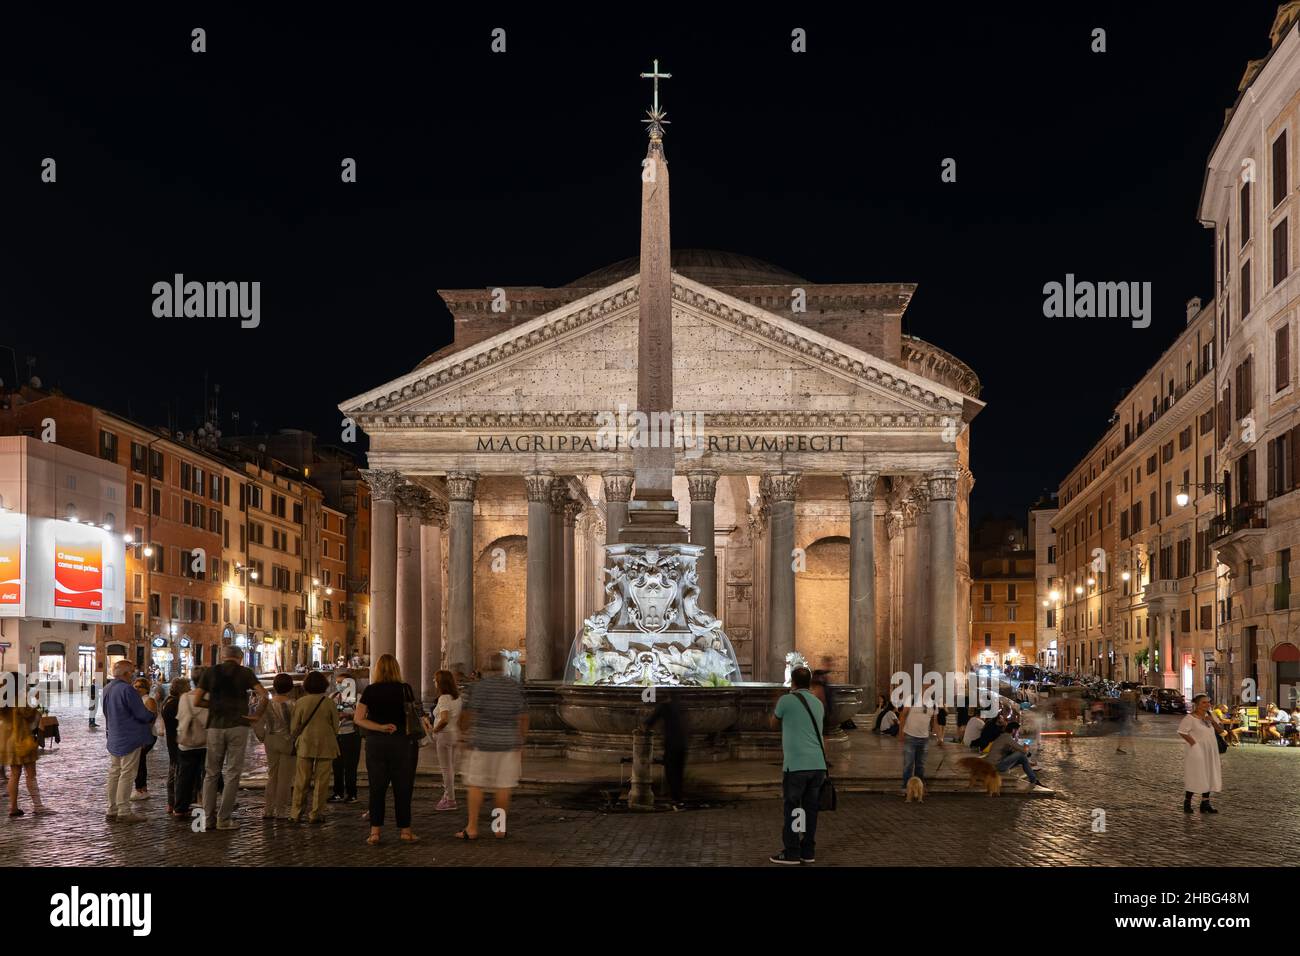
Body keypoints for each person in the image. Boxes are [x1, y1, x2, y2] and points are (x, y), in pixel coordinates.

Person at [455, 657, 528, 842]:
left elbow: (468, 714)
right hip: (507, 743)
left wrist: (463, 732)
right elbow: (523, 716)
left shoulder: (479, 687)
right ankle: (499, 828)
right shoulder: (514, 687)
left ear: (486, 668)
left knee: (476, 784)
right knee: (503, 787)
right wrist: (521, 740)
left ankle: (472, 827)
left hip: (481, 743)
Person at [196, 646, 268, 831]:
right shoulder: (245, 673)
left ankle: (207, 819)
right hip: (238, 725)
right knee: (233, 773)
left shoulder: (210, 672)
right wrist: (257, 714)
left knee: (211, 773)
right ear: (240, 658)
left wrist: (215, 706)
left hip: (215, 726)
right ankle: (224, 819)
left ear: (223, 656)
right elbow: (263, 694)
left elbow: (197, 700)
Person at [355, 654, 421, 844]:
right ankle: (405, 831)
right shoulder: (405, 689)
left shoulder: (370, 690)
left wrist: (380, 727)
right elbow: (414, 713)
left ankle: (375, 832)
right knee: (403, 788)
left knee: (377, 788)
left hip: (376, 743)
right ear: (396, 669)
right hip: (403, 743)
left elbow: (358, 719)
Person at [768, 666, 826, 865]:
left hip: (796, 765)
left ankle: (792, 852)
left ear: (792, 682)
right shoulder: (818, 703)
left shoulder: (786, 700)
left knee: (793, 808)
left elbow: (773, 724)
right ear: (808, 683)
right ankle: (808, 851)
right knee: (810, 810)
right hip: (818, 765)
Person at [103, 660, 156, 824]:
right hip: (130, 737)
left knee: (114, 772)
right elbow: (141, 714)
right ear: (126, 673)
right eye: (132, 671)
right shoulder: (128, 690)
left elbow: (105, 712)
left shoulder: (107, 688)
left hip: (114, 735)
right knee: (127, 773)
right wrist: (152, 715)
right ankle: (124, 810)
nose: (134, 674)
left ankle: (112, 808)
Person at [288, 670, 340, 825]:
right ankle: (316, 813)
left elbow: (294, 727)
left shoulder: (300, 702)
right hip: (326, 744)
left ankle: (296, 812)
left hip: (305, 744)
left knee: (301, 780)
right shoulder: (329, 702)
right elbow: (336, 727)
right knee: (321, 782)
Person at [1, 674, 52, 817]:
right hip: (22, 739)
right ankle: (38, 806)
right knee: (31, 774)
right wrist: (38, 703)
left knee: (14, 774)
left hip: (8, 742)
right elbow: (31, 715)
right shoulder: (19, 699)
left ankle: (13, 807)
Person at [258, 674, 296, 821]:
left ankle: (268, 809)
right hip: (287, 741)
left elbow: (258, 722)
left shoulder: (267, 703)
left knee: (272, 774)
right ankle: (281, 810)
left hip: (271, 740)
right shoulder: (294, 704)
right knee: (285, 778)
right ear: (291, 687)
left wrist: (262, 737)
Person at [423, 669, 462, 812]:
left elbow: (444, 718)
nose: (434, 682)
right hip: (454, 733)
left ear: (441, 682)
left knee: (446, 769)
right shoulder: (457, 697)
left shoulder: (444, 698)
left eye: (435, 680)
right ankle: (448, 796)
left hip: (444, 734)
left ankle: (450, 799)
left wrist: (435, 729)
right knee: (450, 768)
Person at [173, 666, 208, 819]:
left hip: (185, 742)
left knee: (184, 776)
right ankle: (206, 803)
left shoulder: (184, 697)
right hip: (206, 742)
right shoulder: (210, 697)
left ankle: (180, 807)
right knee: (208, 775)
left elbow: (180, 717)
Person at [1179, 694, 1223, 813]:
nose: (1207, 704)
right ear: (1197, 704)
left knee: (1209, 773)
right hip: (1197, 750)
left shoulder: (1210, 715)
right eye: (1204, 702)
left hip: (1211, 749)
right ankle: (1187, 802)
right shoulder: (1190, 718)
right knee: (1196, 773)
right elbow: (1182, 732)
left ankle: (1205, 802)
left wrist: (1213, 722)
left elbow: (1221, 731)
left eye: (1208, 702)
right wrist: (1194, 744)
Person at [643, 694, 687, 808]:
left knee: (671, 771)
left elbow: (649, 722)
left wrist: (644, 729)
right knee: (678, 772)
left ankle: (675, 798)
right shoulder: (679, 706)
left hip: (672, 744)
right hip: (682, 743)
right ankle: (678, 798)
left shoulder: (664, 707)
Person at [897, 687, 944, 791]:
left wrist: (940, 738)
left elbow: (935, 722)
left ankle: (919, 788)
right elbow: (903, 716)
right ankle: (906, 787)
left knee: (921, 765)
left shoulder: (934, 704)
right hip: (910, 736)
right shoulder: (912, 699)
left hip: (924, 739)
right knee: (908, 764)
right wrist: (901, 733)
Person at [328, 668, 360, 804]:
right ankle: (338, 792)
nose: (339, 685)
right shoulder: (333, 697)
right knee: (337, 765)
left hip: (351, 734)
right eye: (337, 683)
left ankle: (352, 794)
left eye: (342, 683)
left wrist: (349, 715)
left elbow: (361, 715)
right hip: (336, 735)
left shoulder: (357, 698)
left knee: (351, 766)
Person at [983, 720, 1043, 789]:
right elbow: (1023, 751)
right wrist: (1026, 745)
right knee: (1021, 754)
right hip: (996, 765)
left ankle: (1034, 780)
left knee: (1022, 758)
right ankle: (1033, 780)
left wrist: (1029, 761)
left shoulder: (1004, 737)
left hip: (996, 764)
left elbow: (1012, 751)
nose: (1018, 733)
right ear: (1013, 730)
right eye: (1017, 731)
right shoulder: (1007, 738)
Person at [160, 677, 190, 814]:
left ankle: (172, 803)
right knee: (178, 774)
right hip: (177, 742)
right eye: (188, 686)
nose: (190, 689)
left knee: (174, 772)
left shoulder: (168, 701)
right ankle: (176, 803)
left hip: (172, 741)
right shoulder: (177, 703)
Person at [130, 677, 159, 801]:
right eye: (135, 686)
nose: (136, 689)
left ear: (145, 689)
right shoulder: (136, 700)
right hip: (138, 735)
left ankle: (141, 789)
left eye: (139, 686)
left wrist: (143, 738)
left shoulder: (149, 700)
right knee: (139, 761)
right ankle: (141, 788)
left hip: (147, 735)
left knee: (140, 761)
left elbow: (151, 720)